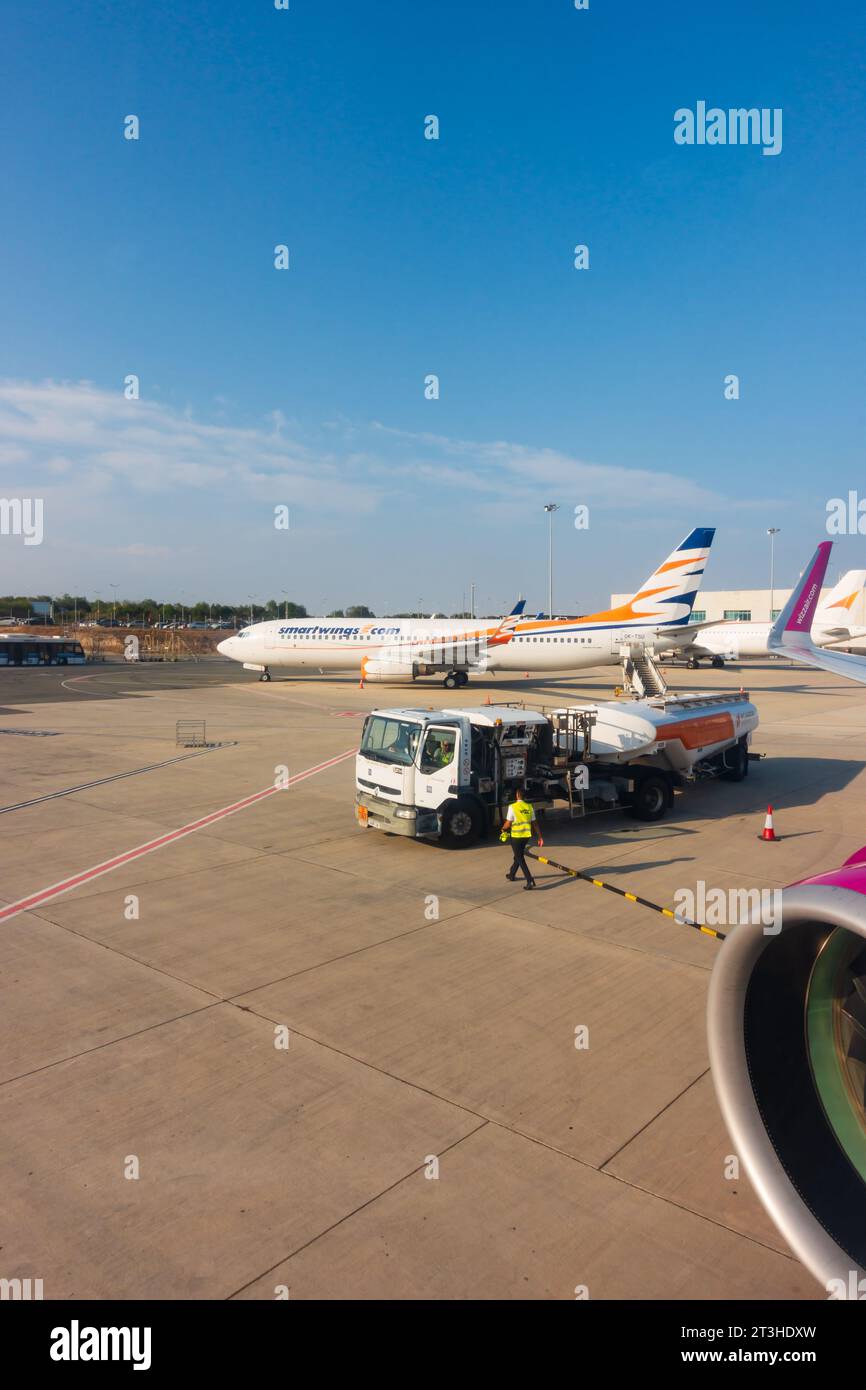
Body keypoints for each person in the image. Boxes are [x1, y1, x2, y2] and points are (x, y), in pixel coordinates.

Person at [501, 785, 543, 889]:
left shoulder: (513, 807)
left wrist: (503, 829)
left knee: (519, 858)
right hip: (526, 836)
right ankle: (512, 874)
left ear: (517, 795)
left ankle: (530, 880)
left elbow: (508, 823)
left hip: (516, 837)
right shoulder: (529, 807)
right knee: (518, 855)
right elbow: (535, 823)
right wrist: (540, 837)